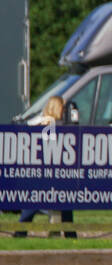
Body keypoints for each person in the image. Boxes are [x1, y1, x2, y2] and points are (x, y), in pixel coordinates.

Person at [15, 95, 76, 239]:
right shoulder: (58, 126)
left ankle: (20, 231)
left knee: (34, 202)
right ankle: (70, 234)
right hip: (52, 174)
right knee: (63, 202)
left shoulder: (37, 122)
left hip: (42, 173)